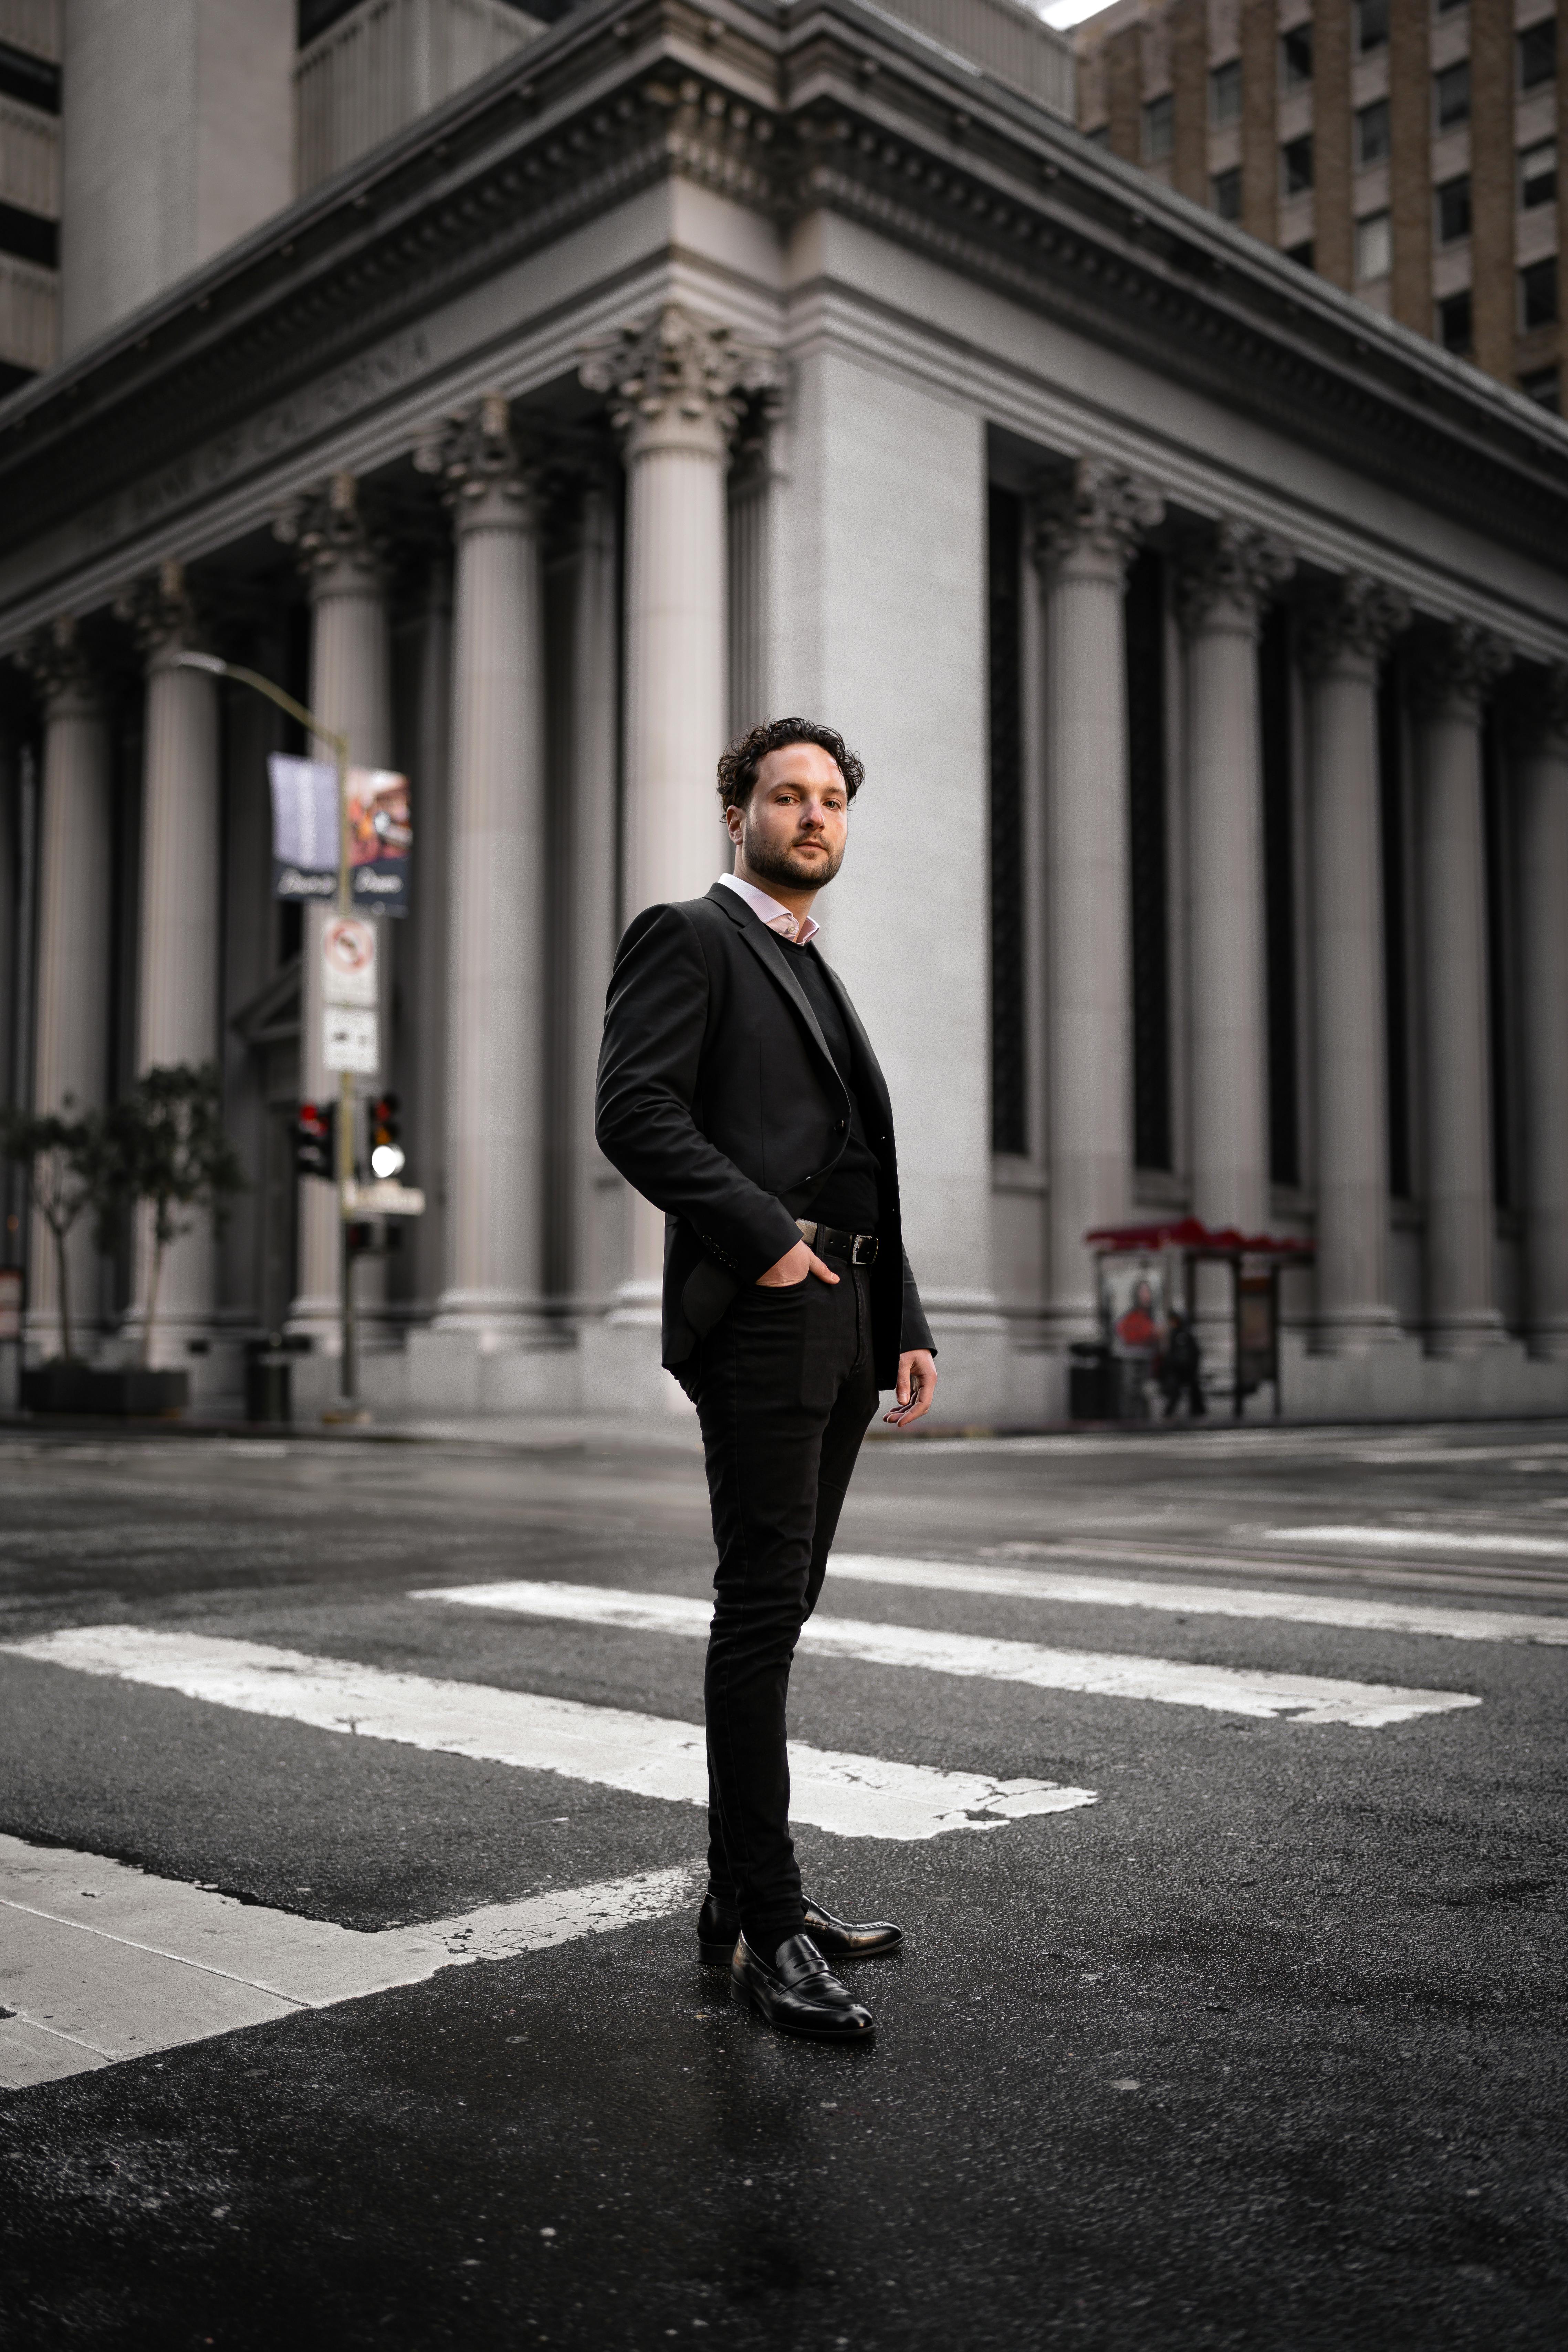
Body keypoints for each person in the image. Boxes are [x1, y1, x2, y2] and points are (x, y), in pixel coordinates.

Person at [595, 718, 938, 2042]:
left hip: (845, 1319)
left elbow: (864, 1163)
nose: (813, 816)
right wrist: (771, 1245)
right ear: (737, 811)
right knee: (758, 1609)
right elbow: (635, 1110)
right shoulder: (689, 936)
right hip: (765, 1309)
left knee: (783, 1604)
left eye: (832, 799)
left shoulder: (811, 965)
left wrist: (900, 1315)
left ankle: (738, 1893)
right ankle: (770, 1926)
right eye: (788, 795)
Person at [1160, 1308, 1205, 1419]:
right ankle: (1171, 1412)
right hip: (1180, 1369)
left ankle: (1197, 1411)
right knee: (1179, 1392)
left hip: (1186, 1369)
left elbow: (1193, 1352)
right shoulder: (1177, 1334)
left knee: (1191, 1390)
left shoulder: (1183, 1334)